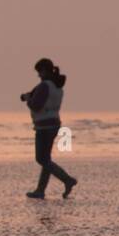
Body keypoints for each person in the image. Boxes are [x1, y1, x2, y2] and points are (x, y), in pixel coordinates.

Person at [20, 58, 77, 199]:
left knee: (41, 159)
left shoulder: (44, 86)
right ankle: (40, 190)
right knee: (46, 159)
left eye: (39, 72)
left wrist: (28, 99)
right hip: (54, 124)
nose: (38, 75)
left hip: (44, 126)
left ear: (44, 71)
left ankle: (67, 179)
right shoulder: (57, 86)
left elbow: (36, 105)